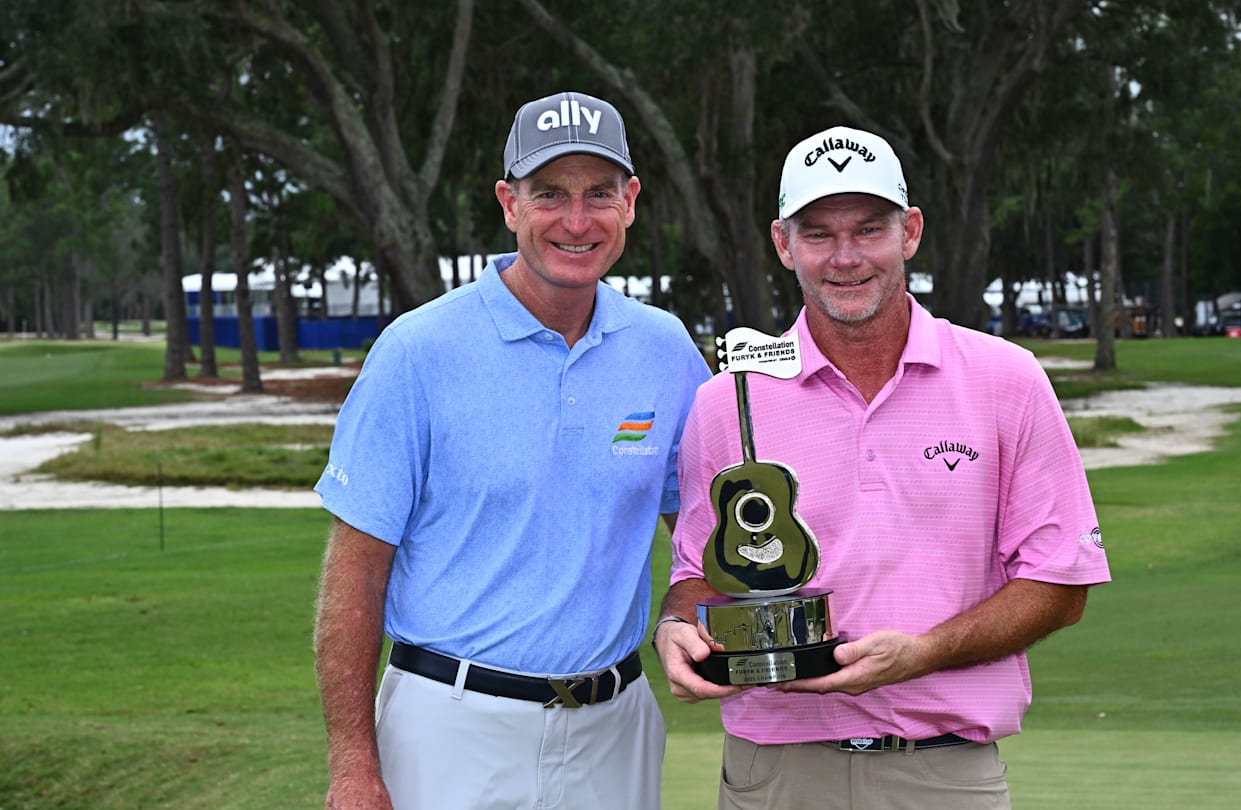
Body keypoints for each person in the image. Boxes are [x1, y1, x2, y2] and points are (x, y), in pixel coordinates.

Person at [653, 125, 1112, 809]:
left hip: (944, 772)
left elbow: (1059, 583)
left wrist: (924, 653)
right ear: (783, 244)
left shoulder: (1005, 379)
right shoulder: (730, 401)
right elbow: (700, 573)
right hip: (777, 773)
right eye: (818, 234)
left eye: (869, 229)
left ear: (911, 232)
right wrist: (675, 630)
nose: (845, 258)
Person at [313, 90, 712, 810]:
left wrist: (686, 612)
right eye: (549, 194)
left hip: (615, 727)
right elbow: (356, 571)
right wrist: (351, 766)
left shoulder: (666, 350)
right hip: (450, 728)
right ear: (508, 202)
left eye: (598, 193)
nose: (576, 219)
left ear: (630, 201)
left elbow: (699, 533)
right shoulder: (417, 351)